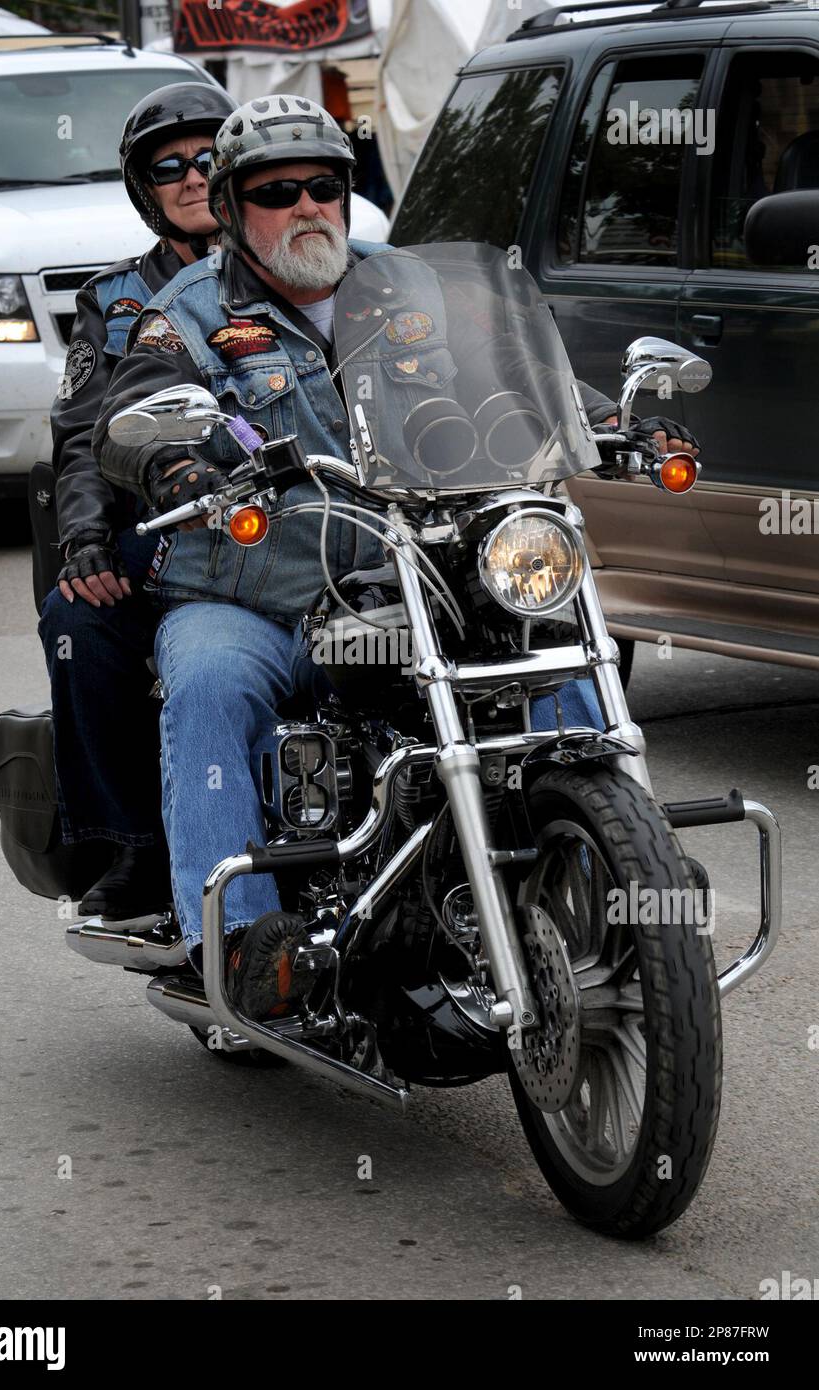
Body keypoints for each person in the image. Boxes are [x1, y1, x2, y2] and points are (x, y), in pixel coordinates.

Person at [92, 95, 700, 1016]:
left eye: (325, 186)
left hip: (416, 572)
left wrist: (611, 421)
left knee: (548, 645)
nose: (306, 206)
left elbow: (523, 370)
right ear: (228, 208)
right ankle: (248, 945)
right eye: (276, 190)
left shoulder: (412, 284)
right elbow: (130, 415)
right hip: (253, 593)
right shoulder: (183, 316)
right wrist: (171, 459)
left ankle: (623, 859)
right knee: (210, 685)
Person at [39, 81, 233, 920]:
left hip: (295, 517)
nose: (192, 178)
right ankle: (134, 844)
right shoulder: (116, 301)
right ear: (144, 190)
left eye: (209, 159)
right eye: (169, 168)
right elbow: (83, 436)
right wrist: (84, 539)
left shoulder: (296, 268)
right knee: (76, 619)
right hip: (161, 527)